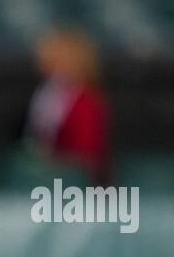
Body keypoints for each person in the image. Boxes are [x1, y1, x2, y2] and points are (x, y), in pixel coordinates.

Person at [25, 28, 112, 184]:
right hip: (49, 175)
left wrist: (53, 161)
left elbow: (87, 152)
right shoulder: (48, 93)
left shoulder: (86, 101)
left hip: (74, 180)